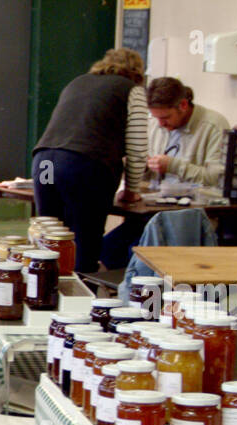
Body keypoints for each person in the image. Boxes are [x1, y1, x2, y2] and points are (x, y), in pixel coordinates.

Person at [31, 47, 148, 274]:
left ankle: (44, 295)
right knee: (84, 243)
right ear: (136, 71)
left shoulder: (77, 82)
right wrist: (132, 190)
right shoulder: (131, 90)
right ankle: (83, 302)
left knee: (48, 240)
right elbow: (137, 148)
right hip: (82, 165)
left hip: (45, 162)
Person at [101, 77, 232, 267]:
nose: (161, 124)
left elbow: (216, 178)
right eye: (156, 118)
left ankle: (145, 293)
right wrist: (141, 168)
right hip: (151, 214)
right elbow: (146, 169)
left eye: (165, 118)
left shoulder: (213, 126)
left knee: (137, 257)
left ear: (184, 105)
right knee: (107, 250)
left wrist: (174, 166)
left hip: (189, 219)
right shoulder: (155, 125)